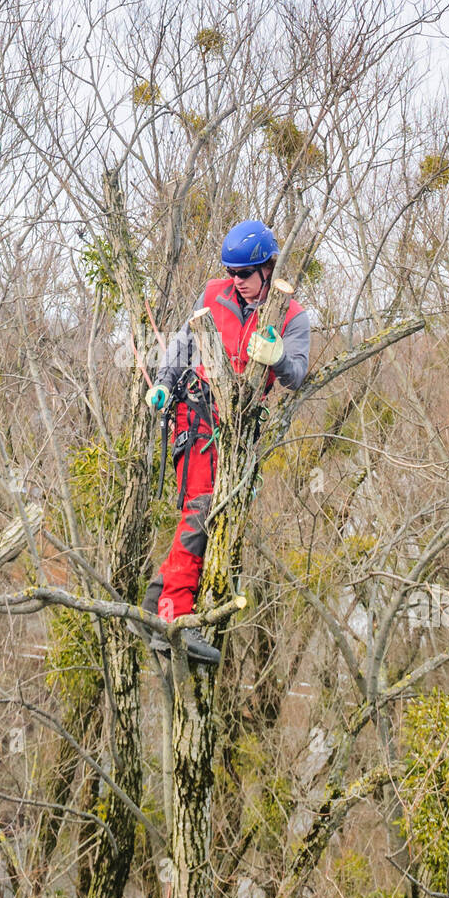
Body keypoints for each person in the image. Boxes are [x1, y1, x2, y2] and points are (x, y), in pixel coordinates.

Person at [141, 220, 311, 666]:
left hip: (240, 433)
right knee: (199, 511)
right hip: (196, 417)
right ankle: (172, 622)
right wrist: (163, 384)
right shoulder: (213, 295)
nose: (239, 283)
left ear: (268, 269)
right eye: (233, 274)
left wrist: (277, 360)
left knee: (215, 518)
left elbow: (298, 373)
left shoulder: (291, 315)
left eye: (247, 274)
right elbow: (181, 344)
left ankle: (153, 604)